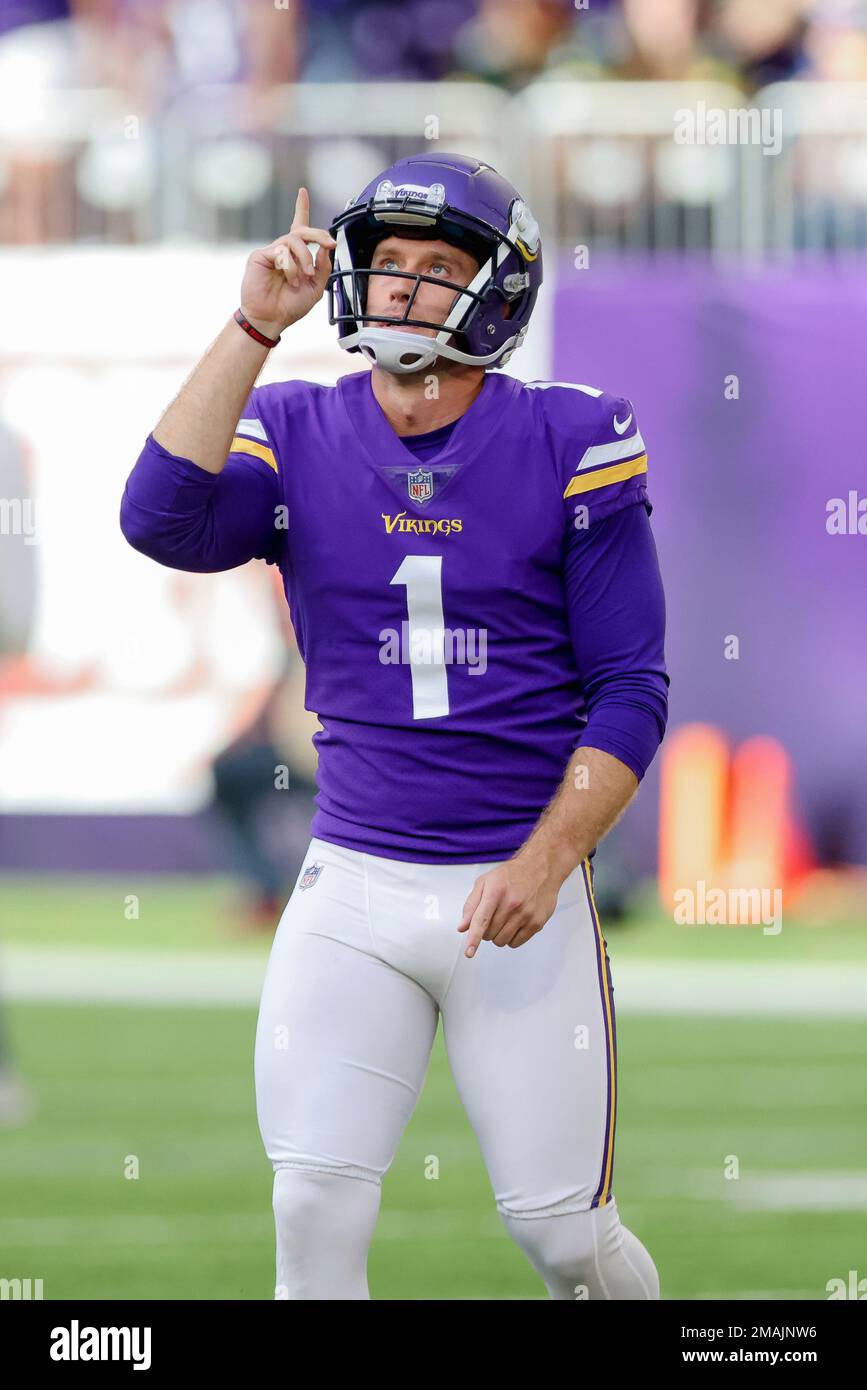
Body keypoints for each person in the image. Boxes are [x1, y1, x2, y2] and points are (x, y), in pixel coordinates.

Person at [120, 152, 669, 1301]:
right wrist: (250, 325)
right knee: (313, 1211)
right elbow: (159, 516)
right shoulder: (297, 425)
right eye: (389, 264)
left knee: (564, 1237)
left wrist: (548, 858)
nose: (406, 288)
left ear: (498, 290)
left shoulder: (575, 436)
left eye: (437, 267)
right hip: (353, 888)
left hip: (513, 893)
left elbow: (631, 687)